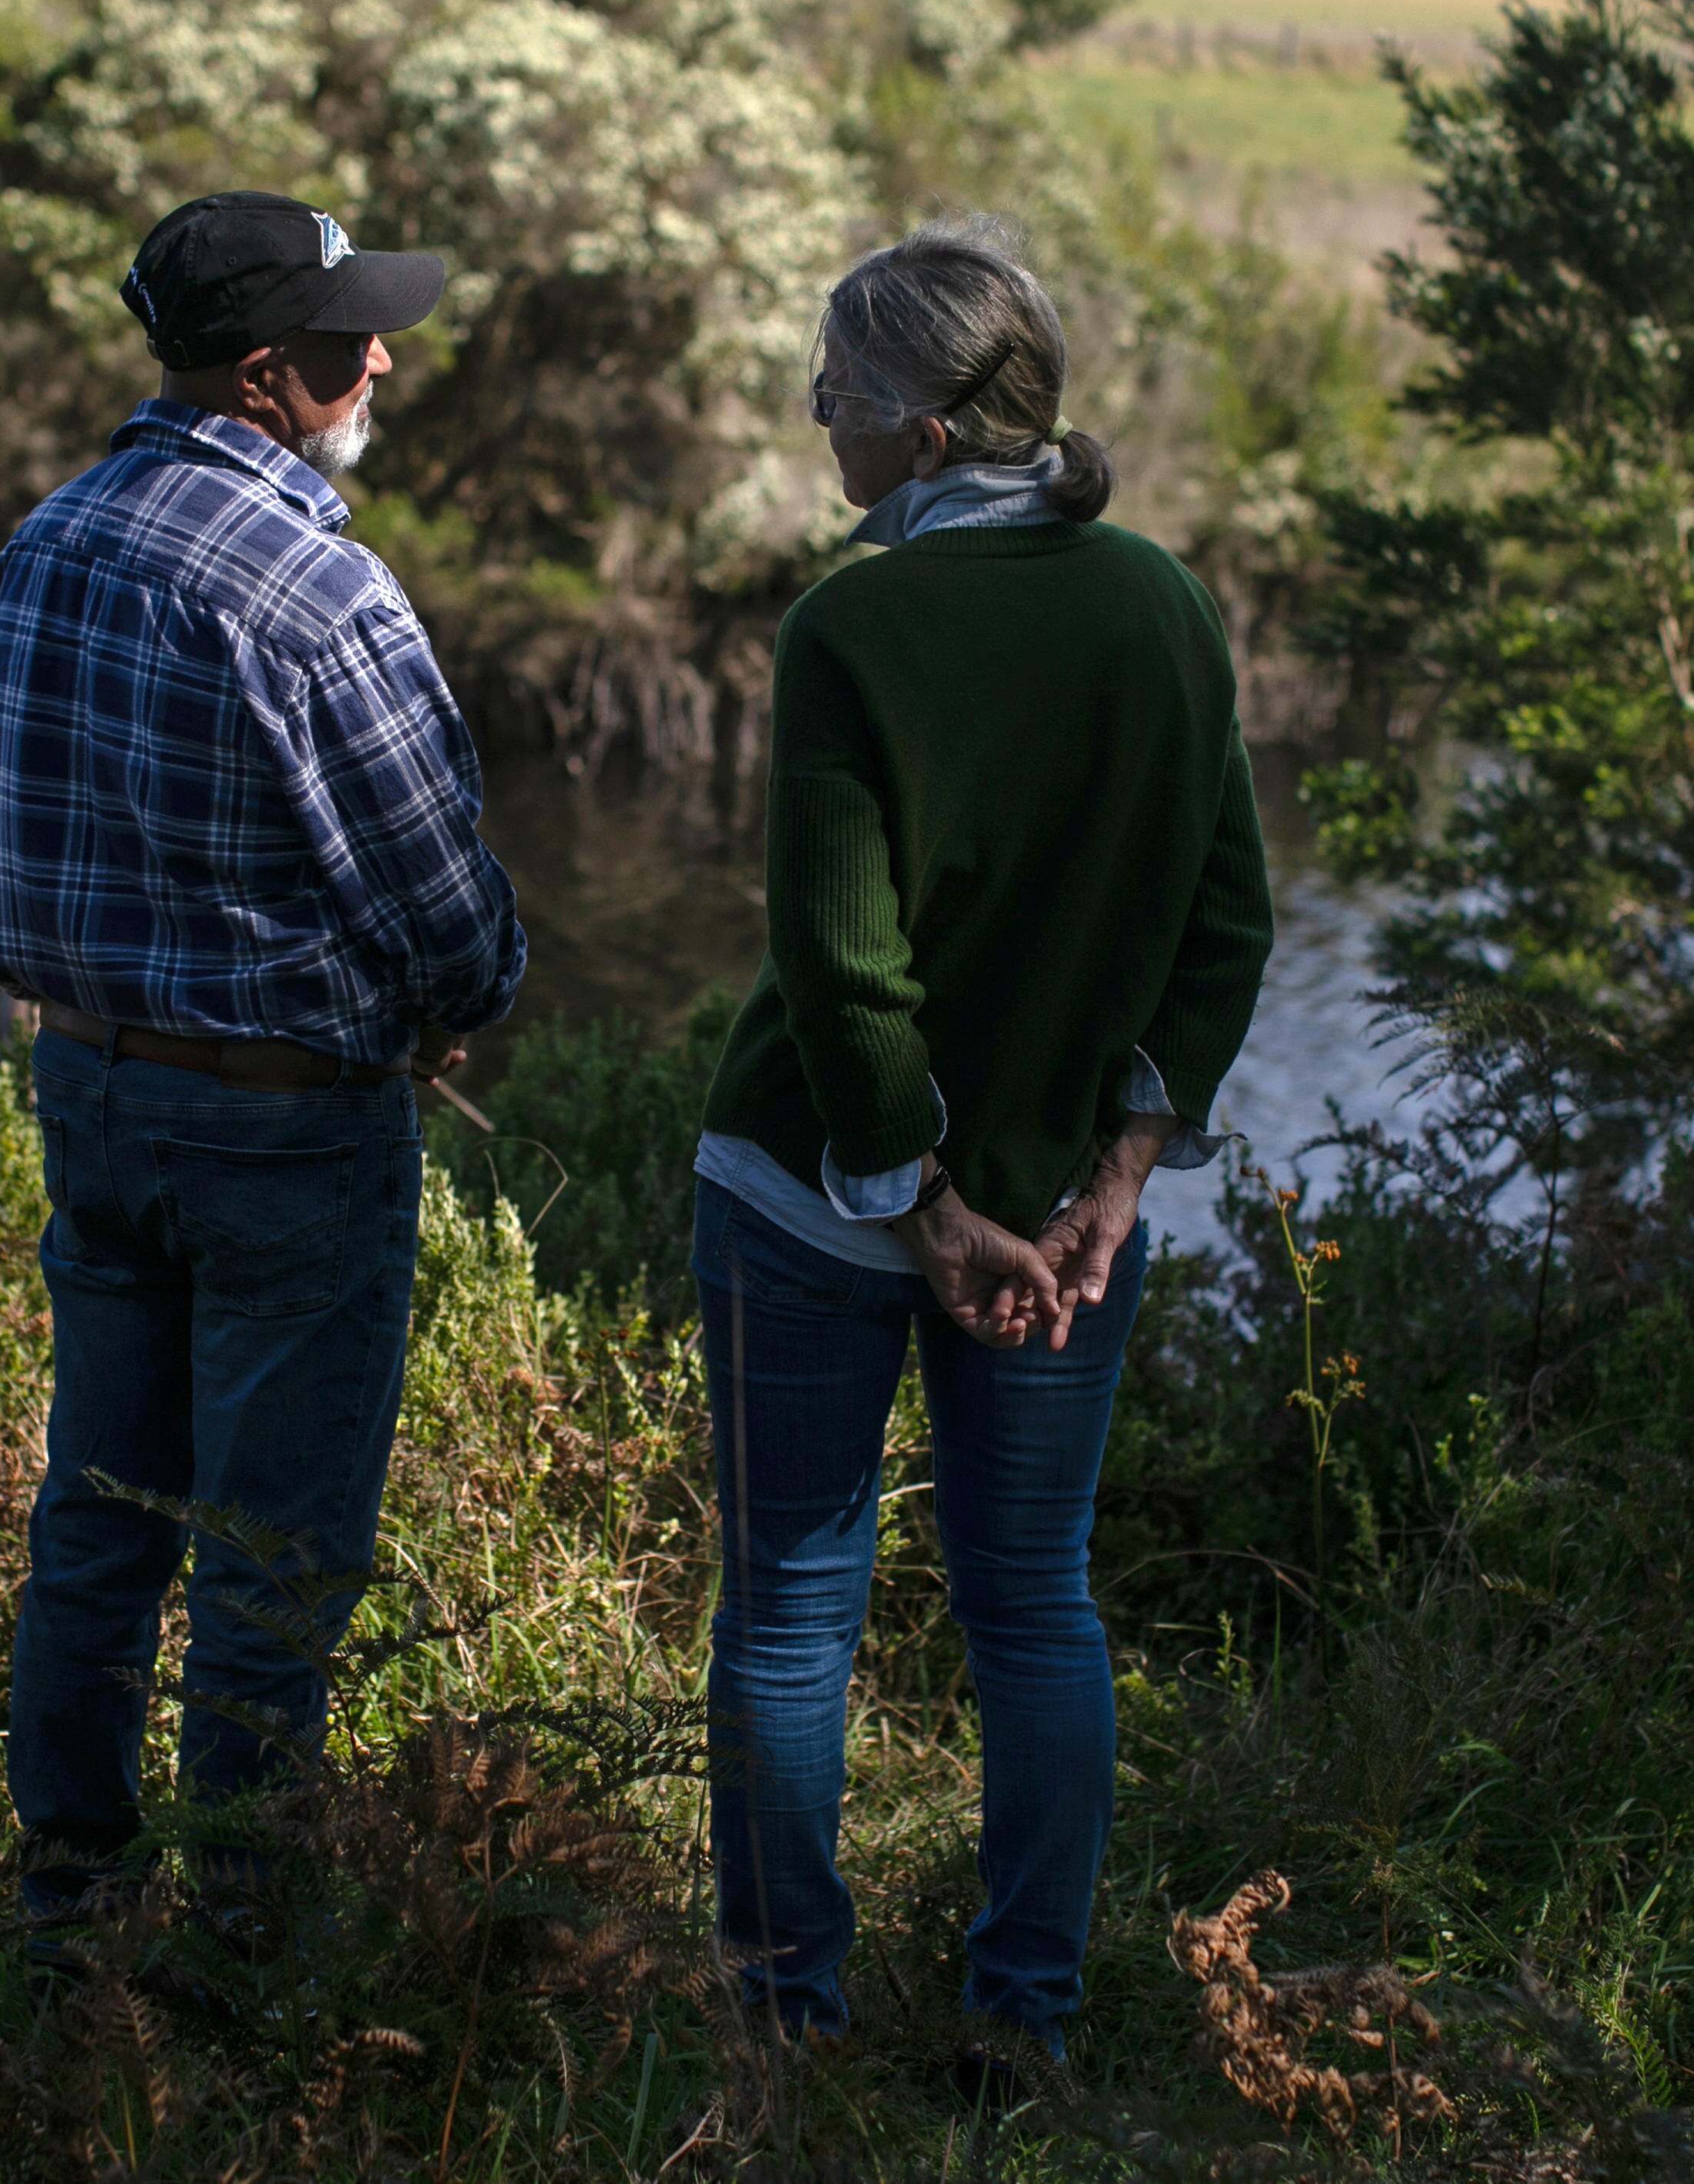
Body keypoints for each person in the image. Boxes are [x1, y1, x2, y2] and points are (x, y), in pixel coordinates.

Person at [690, 217, 1273, 2063]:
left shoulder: (854, 622)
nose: (815, 410)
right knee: (1033, 1605)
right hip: (1063, 1215)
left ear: (927, 432)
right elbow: (1227, 924)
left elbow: (840, 961)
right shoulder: (1164, 602)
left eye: (836, 387)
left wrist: (924, 1203)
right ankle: (1024, 2019)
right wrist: (1115, 1176)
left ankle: (783, 2023)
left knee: (792, 1610)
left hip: (813, 1195)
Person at [0, 190, 529, 1967]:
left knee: (98, 1522)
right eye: (356, 341)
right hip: (285, 1132)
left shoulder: (43, 542)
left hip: (90, 1098)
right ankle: (240, 1957)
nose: (384, 364)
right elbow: (448, 913)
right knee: (269, 1566)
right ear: (268, 371)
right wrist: (452, 1000)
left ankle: (67, 1915)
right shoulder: (316, 589)